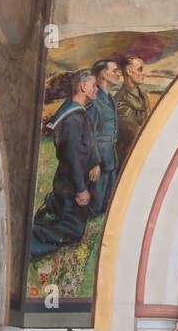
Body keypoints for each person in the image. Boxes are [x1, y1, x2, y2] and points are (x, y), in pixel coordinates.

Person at [30, 70, 100, 258]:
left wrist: (93, 163)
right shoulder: (73, 119)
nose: (97, 89)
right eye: (94, 86)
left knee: (69, 220)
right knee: (72, 232)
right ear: (83, 87)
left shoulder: (73, 110)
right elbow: (73, 156)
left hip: (68, 179)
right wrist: (81, 189)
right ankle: (29, 240)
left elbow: (83, 146)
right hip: (71, 180)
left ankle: (50, 209)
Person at [87, 58, 122, 216]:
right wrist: (94, 162)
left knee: (107, 207)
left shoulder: (110, 98)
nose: (119, 74)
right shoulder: (95, 100)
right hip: (98, 161)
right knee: (95, 208)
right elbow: (90, 134)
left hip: (109, 159)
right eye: (115, 71)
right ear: (104, 74)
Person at [114, 55, 150, 165]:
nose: (144, 73)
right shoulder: (120, 99)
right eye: (140, 69)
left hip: (144, 155)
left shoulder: (143, 95)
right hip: (128, 159)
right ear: (129, 72)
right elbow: (134, 133)